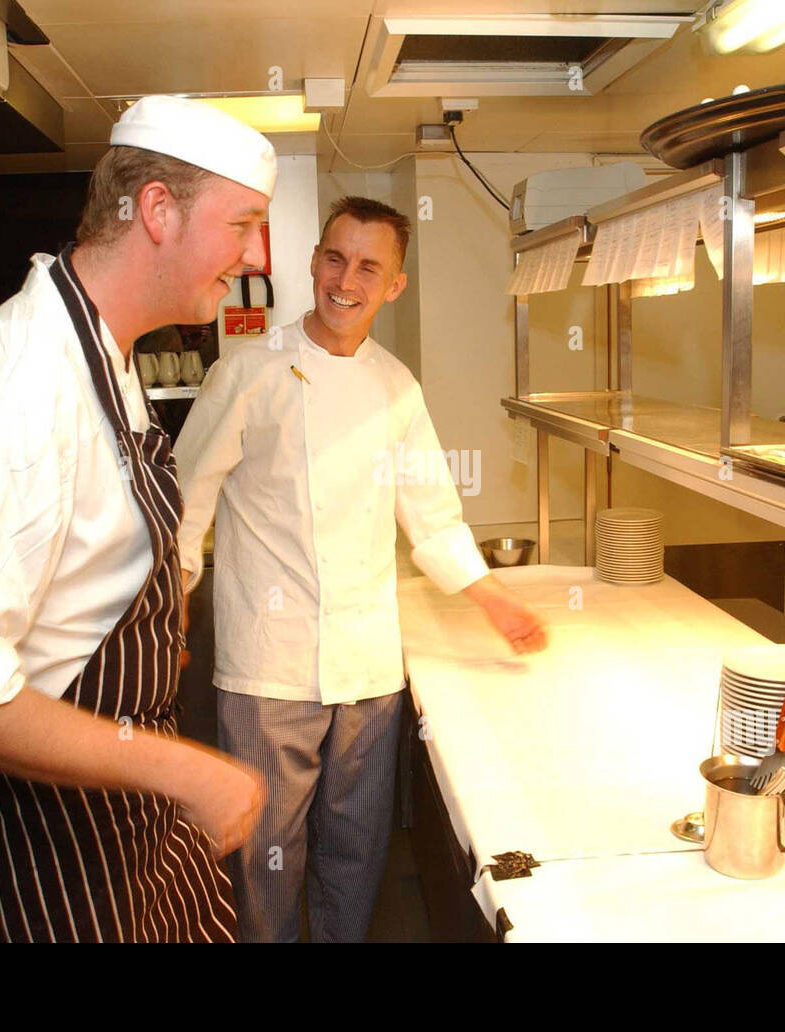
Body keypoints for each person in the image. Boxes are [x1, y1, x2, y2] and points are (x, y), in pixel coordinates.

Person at [0, 96, 274, 942]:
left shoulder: (101, 352)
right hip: (40, 846)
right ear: (156, 209)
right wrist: (181, 770)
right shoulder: (14, 390)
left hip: (121, 815)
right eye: (243, 224)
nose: (253, 256)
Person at [175, 196, 548, 942]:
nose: (346, 280)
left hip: (370, 671)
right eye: (335, 259)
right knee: (267, 858)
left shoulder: (396, 389)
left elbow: (432, 516)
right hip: (266, 664)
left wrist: (494, 598)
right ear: (313, 262)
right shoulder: (248, 371)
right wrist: (171, 614)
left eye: (368, 267)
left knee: (355, 853)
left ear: (394, 285)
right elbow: (186, 504)